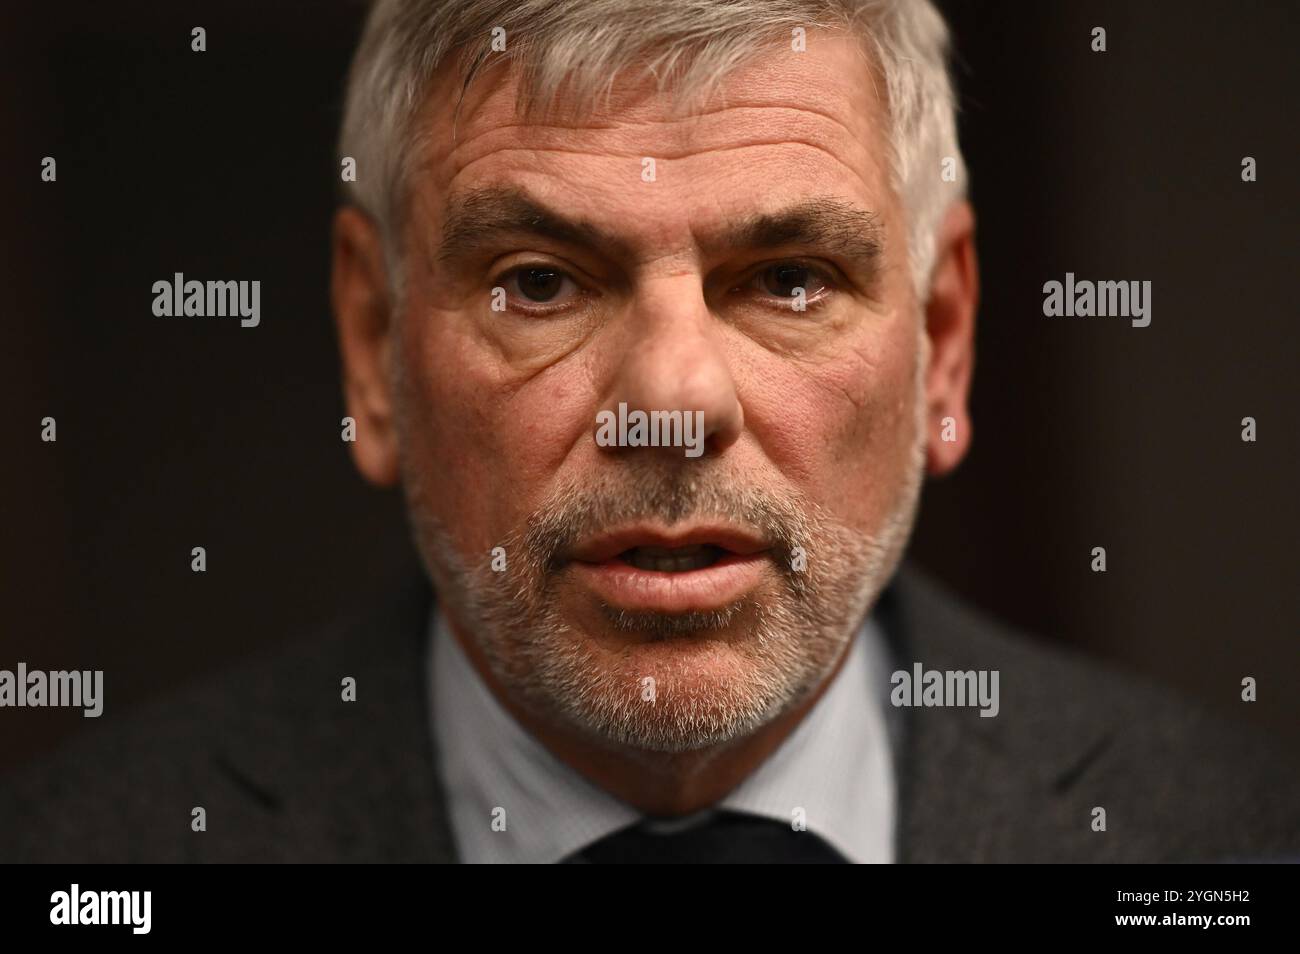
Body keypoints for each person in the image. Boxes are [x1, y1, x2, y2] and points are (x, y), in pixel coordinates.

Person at [3, 0, 1296, 863]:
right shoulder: (86, 857)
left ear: (944, 341)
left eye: (789, 277)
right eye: (541, 281)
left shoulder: (1231, 835)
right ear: (373, 348)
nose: (671, 403)